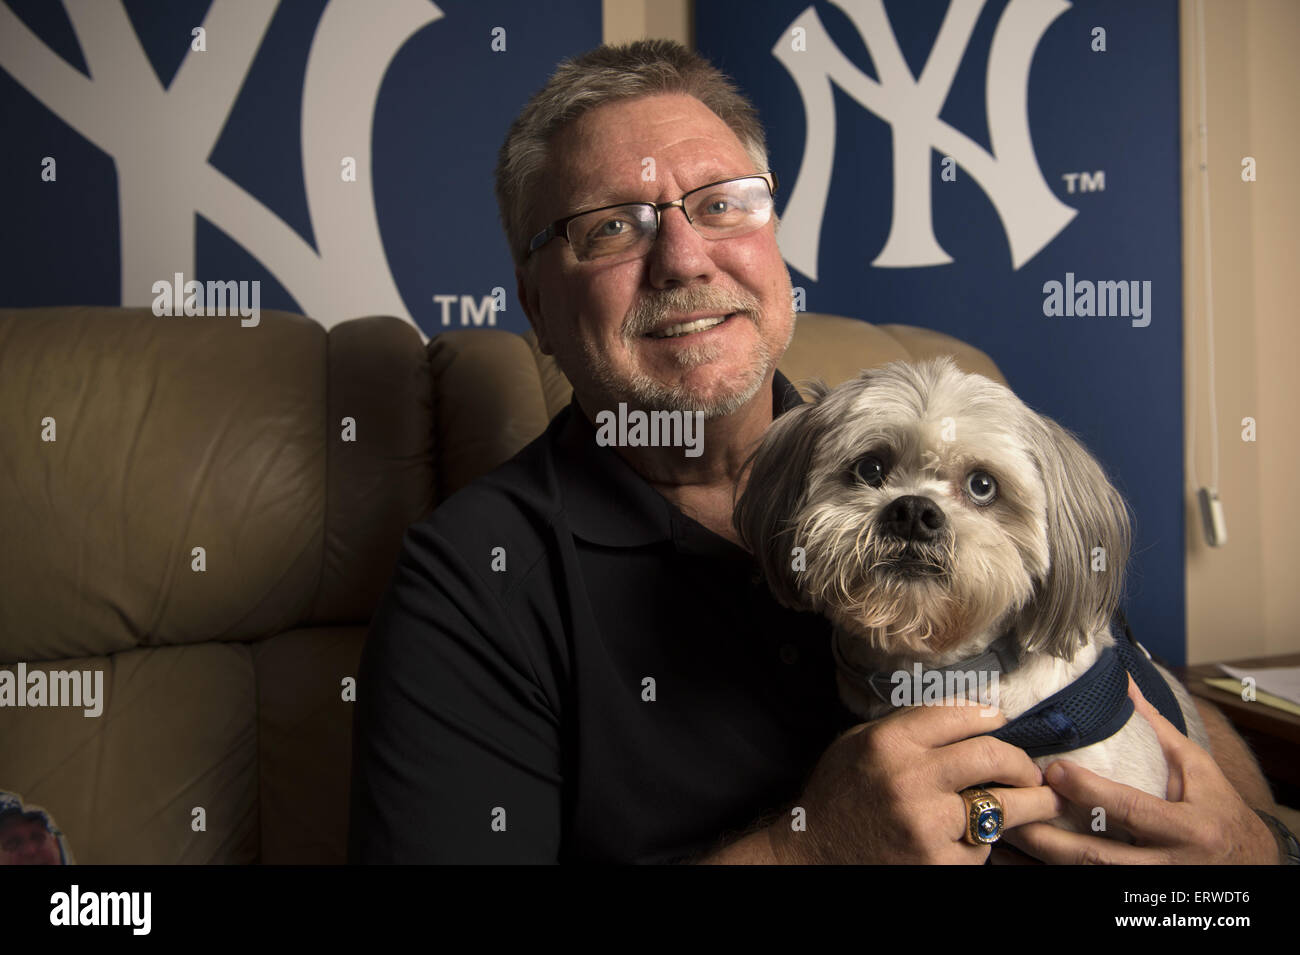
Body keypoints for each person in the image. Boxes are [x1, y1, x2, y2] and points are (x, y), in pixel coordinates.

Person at [347, 39, 1283, 864]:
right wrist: (814, 850)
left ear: (776, 243)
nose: (681, 259)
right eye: (610, 227)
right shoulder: (474, 583)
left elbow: (1142, 705)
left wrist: (1253, 850)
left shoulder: (959, 437)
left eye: (722, 204)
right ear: (537, 307)